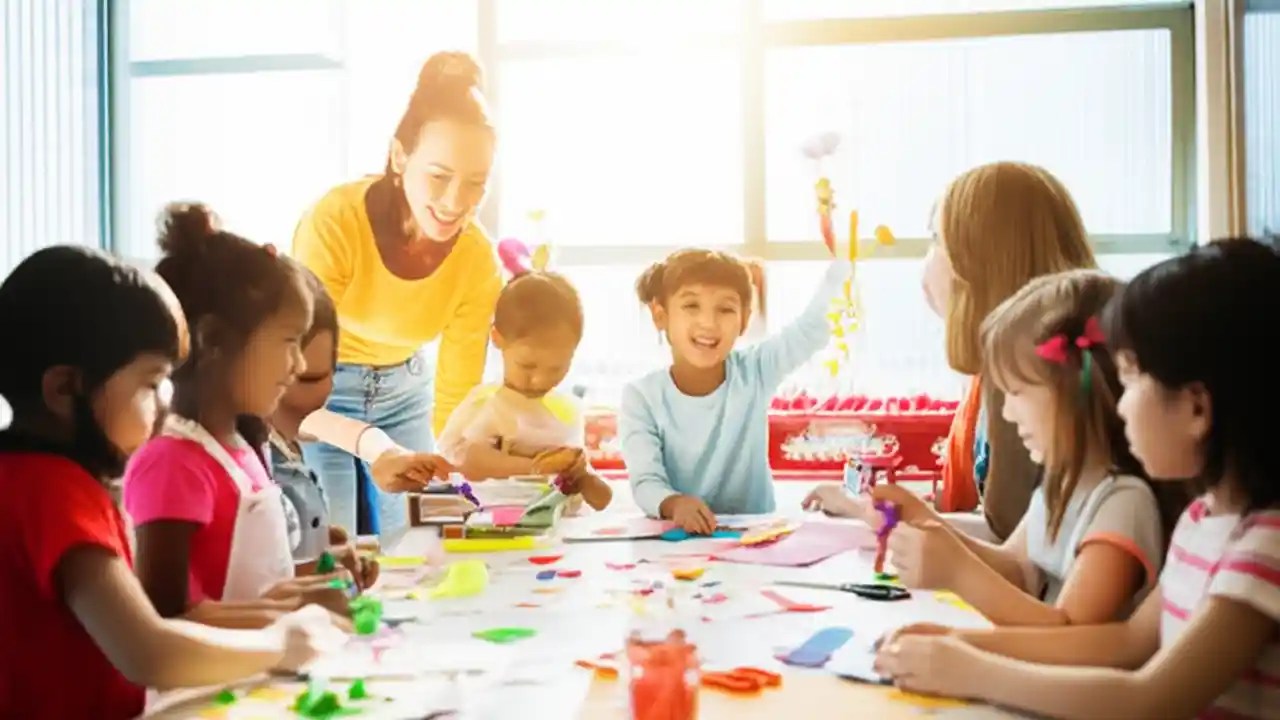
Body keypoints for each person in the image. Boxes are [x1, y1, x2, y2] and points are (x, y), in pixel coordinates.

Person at [875, 238, 1280, 719]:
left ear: (1196, 408)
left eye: (1129, 380)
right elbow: (1127, 641)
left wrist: (972, 669)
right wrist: (961, 640)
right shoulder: (1201, 520)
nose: (1119, 402)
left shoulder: (1263, 548)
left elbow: (1152, 698)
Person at [0, 246, 342, 720]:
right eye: (149, 382)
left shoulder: (29, 479)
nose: (163, 405)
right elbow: (149, 651)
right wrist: (277, 644)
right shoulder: (54, 494)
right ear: (65, 389)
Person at [804, 162, 1099, 540]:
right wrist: (866, 511)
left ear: (977, 260)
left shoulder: (1029, 382)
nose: (927, 259)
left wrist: (872, 519)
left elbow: (1004, 539)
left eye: (935, 239)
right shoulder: (1006, 368)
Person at [869, 270, 1171, 628]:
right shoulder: (1061, 483)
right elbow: (1016, 571)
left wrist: (957, 572)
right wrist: (921, 517)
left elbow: (1069, 635)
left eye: (1016, 393)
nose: (1008, 414)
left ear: (1074, 393)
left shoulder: (1124, 504)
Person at [292, 50, 502, 541]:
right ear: (399, 156)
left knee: (424, 540)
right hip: (320, 392)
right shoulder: (336, 222)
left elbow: (456, 396)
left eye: (476, 184)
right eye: (439, 176)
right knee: (329, 546)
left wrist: (457, 473)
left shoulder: (476, 260)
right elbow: (293, 381)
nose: (456, 203)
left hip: (407, 393)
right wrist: (371, 446)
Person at [124, 204, 352, 626]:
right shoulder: (172, 463)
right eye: (288, 342)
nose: (298, 365)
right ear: (214, 341)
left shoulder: (241, 449)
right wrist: (296, 610)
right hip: (205, 688)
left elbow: (253, 588)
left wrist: (319, 580)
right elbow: (167, 619)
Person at [621, 249, 851, 533]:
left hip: (755, 538)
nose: (708, 322)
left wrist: (842, 268)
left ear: (744, 319)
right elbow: (645, 482)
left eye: (726, 309)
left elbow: (811, 329)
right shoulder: (641, 397)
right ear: (660, 315)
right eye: (691, 305)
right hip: (677, 541)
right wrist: (674, 503)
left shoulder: (755, 371)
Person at [270, 269, 452, 579]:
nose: (299, 397)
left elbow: (324, 424)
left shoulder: (282, 428)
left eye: (324, 376)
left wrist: (383, 455)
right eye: (298, 377)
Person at [437, 270, 612, 511]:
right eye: (527, 365)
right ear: (497, 339)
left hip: (554, 525)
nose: (540, 379)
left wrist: (583, 476)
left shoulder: (565, 411)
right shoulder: (487, 403)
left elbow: (602, 500)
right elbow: (469, 461)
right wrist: (535, 468)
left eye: (557, 368)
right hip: (491, 522)